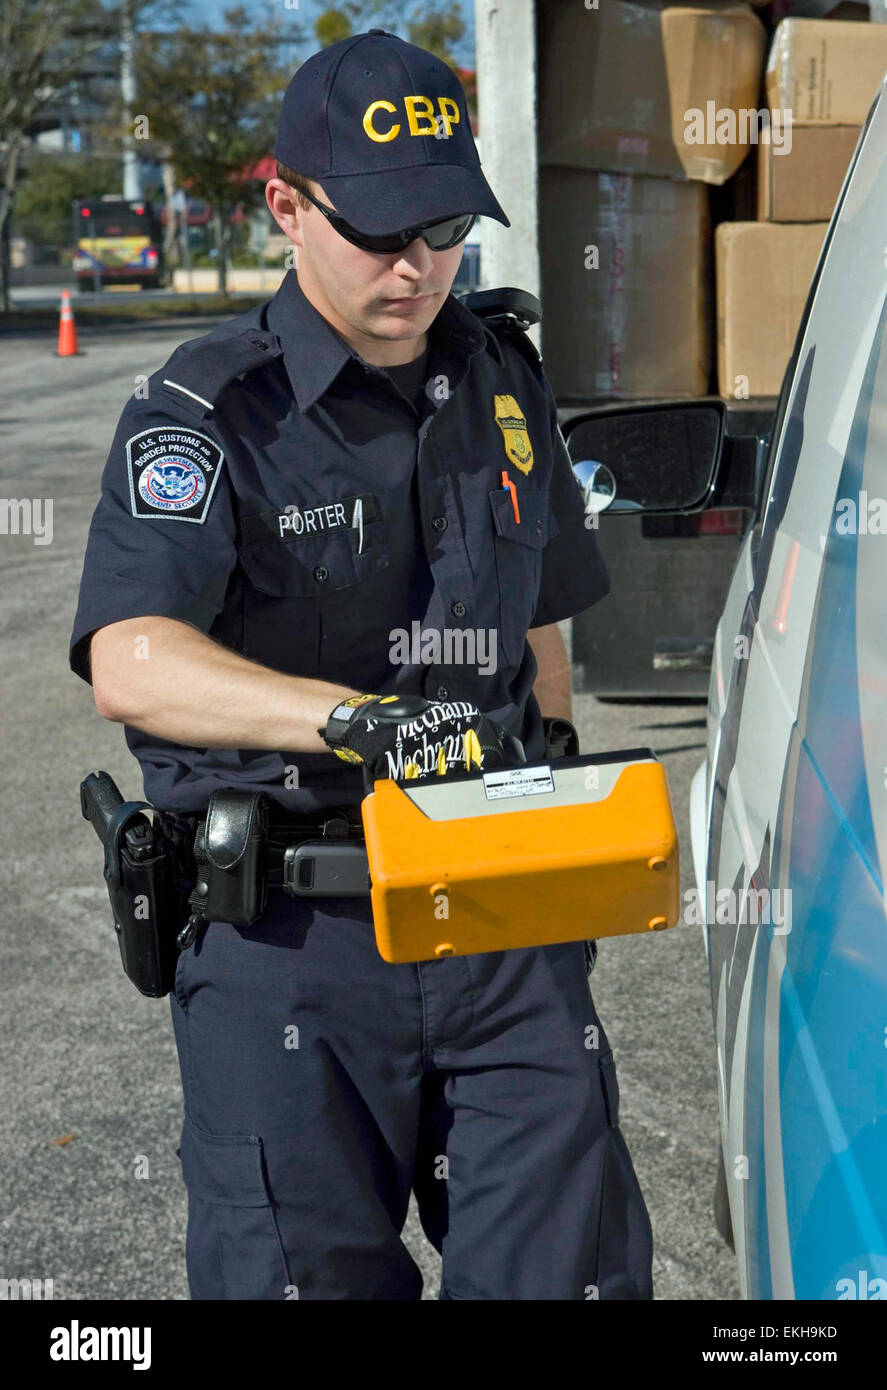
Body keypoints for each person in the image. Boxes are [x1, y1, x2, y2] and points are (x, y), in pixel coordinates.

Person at [69, 28, 653, 1300]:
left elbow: (537, 624)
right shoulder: (206, 414)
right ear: (284, 203)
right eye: (382, 230)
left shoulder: (502, 381)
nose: (419, 264)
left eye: (444, 227)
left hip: (500, 919)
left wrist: (549, 795)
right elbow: (133, 657)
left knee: (568, 1275)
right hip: (291, 935)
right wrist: (353, 721)